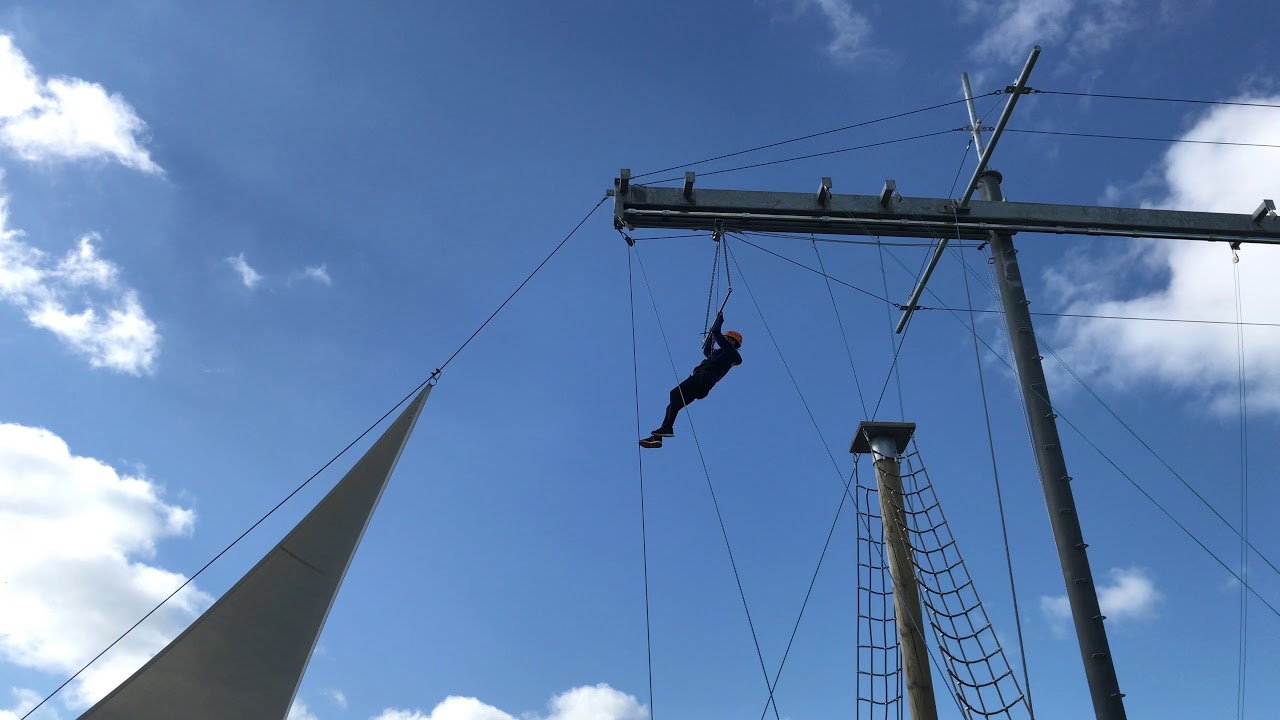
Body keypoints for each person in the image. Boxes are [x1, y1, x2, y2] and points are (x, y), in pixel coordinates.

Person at [640, 311, 742, 448]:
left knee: (674, 394)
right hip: (702, 383)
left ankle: (667, 429)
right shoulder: (720, 353)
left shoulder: (732, 354)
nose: (724, 341)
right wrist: (711, 337)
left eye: (726, 339)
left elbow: (717, 332)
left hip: (702, 380)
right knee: (674, 404)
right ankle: (658, 437)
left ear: (731, 341)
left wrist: (719, 319)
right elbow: (707, 351)